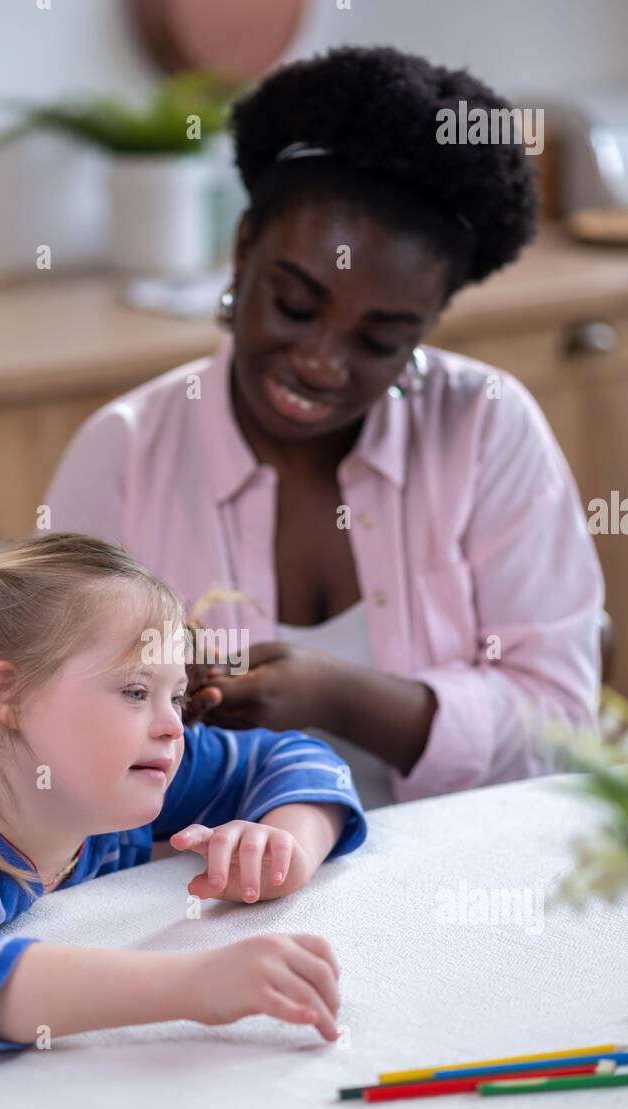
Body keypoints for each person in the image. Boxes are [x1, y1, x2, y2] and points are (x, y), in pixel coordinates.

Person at [40, 44, 604, 810]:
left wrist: (347, 699)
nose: (320, 364)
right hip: (205, 891)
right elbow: (48, 730)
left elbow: (563, 724)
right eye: (296, 306)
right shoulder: (126, 451)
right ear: (243, 250)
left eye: (379, 340)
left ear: (429, 325)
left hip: (452, 876)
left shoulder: (487, 428)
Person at [0, 533, 366, 1056]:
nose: (172, 726)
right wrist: (192, 985)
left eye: (175, 696)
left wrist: (284, 846)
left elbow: (294, 757)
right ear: (10, 697)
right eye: (134, 691)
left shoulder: (109, 777)